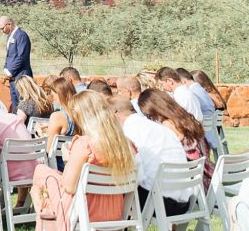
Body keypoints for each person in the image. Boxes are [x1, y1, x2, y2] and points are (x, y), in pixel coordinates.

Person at [31, 91, 136, 231]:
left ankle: (47, 222)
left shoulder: (85, 144)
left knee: (41, 173)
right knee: (47, 182)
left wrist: (68, 159)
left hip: (86, 211)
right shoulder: (127, 145)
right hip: (115, 212)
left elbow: (69, 186)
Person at [109, 97, 192, 217]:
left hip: (158, 201)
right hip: (183, 201)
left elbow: (135, 174)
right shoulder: (159, 128)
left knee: (110, 191)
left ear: (115, 114)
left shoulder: (129, 131)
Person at [137, 88, 213, 186]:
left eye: (149, 115)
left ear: (154, 109)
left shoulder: (167, 124)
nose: (151, 118)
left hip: (184, 181)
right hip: (202, 176)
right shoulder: (186, 118)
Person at [0, 16, 32, 112]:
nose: (2, 31)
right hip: (12, 78)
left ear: (9, 24)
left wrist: (10, 71)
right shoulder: (10, 36)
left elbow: (22, 57)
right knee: (15, 105)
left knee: (23, 105)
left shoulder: (21, 35)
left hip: (21, 77)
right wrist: (5, 68)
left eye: (2, 28)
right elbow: (9, 55)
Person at [45, 77, 79, 162]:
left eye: (54, 94)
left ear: (60, 94)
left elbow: (49, 150)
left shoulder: (57, 117)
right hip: (77, 161)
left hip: (59, 163)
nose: (52, 96)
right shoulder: (82, 113)